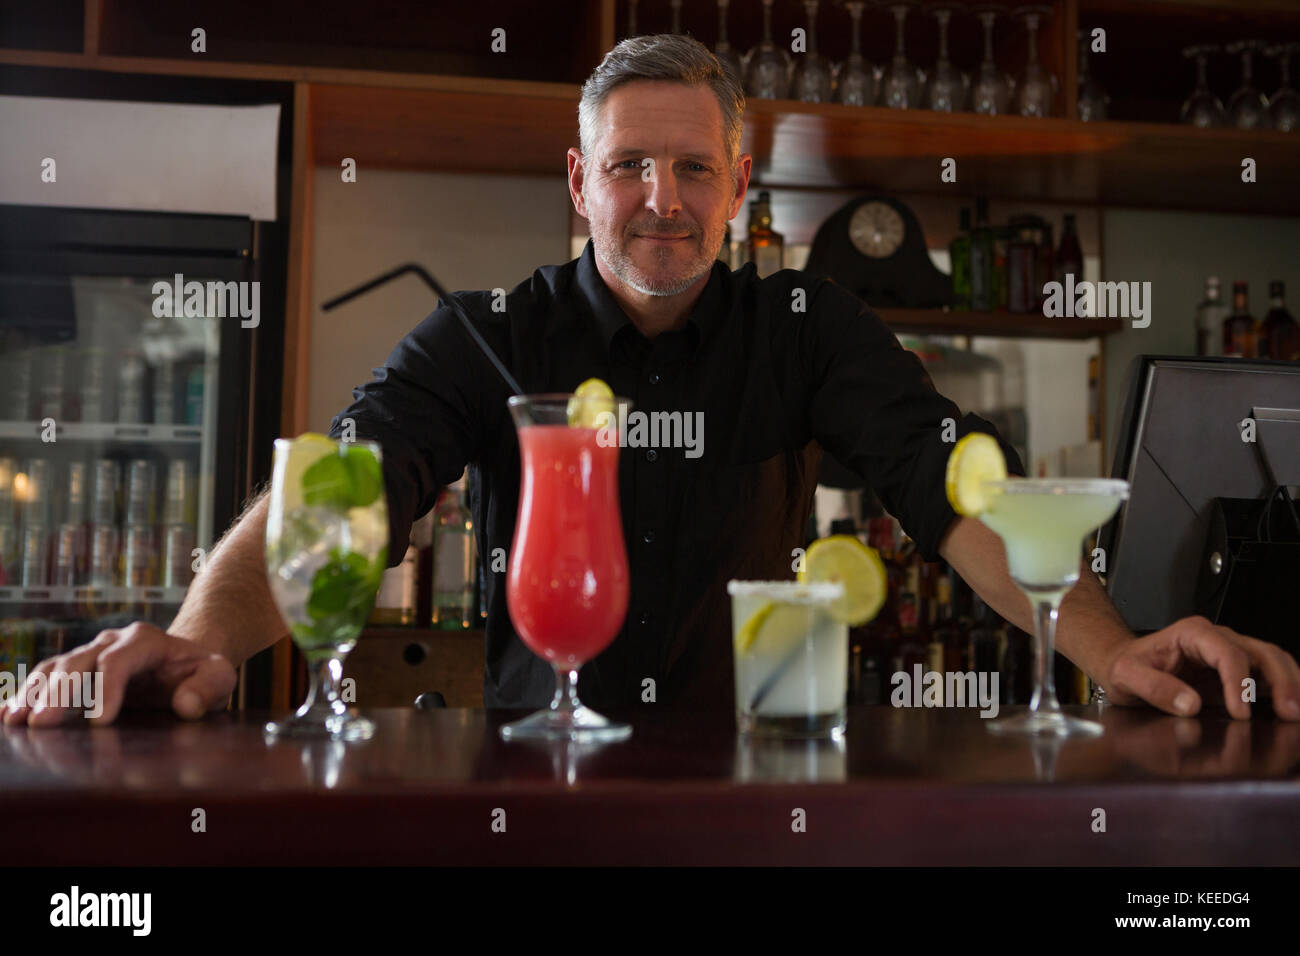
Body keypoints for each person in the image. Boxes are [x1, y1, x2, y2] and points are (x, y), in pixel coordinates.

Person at [8, 34, 1299, 726]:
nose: (660, 202)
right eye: (628, 167)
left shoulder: (809, 322)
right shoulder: (484, 333)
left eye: (693, 171)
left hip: (760, 758)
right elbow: (342, 496)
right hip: (537, 764)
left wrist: (1118, 651)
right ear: (579, 183)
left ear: (741, 190)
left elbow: (956, 497)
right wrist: (188, 645)